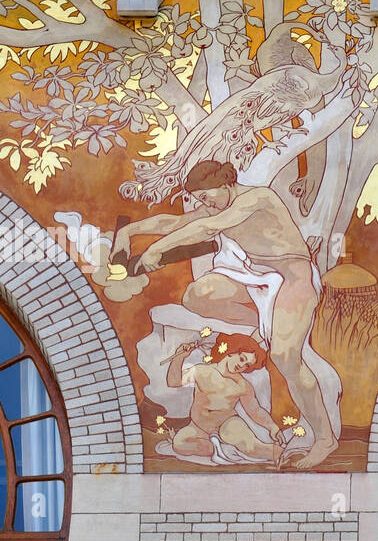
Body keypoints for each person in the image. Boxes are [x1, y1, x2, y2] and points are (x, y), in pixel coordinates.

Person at [112, 160, 340, 468]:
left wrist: (156, 250)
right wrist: (130, 231)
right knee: (197, 295)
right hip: (253, 276)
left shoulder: (257, 198)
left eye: (208, 197)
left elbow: (207, 227)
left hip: (291, 276)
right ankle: (267, 324)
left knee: (286, 357)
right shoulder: (219, 204)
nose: (205, 204)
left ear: (226, 183)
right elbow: (176, 223)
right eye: (201, 199)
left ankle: (325, 438)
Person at [164, 332, 284, 465]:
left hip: (227, 425)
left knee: (252, 448)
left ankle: (287, 454)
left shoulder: (242, 385)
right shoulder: (201, 371)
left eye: (247, 365)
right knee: (180, 444)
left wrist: (272, 427)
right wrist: (180, 357)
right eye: (242, 359)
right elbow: (173, 382)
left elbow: (255, 410)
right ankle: (223, 449)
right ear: (232, 351)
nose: (242, 366)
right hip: (199, 427)